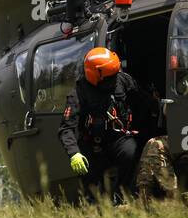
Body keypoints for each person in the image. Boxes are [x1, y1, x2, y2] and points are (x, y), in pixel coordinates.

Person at [58, 46, 141, 202]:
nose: (114, 79)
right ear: (95, 76)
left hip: (118, 139)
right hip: (93, 145)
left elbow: (141, 100)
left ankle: (122, 199)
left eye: (115, 74)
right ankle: (94, 212)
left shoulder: (122, 80)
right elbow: (66, 129)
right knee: (91, 189)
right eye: (110, 77)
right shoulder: (78, 93)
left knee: (131, 151)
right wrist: (74, 153)